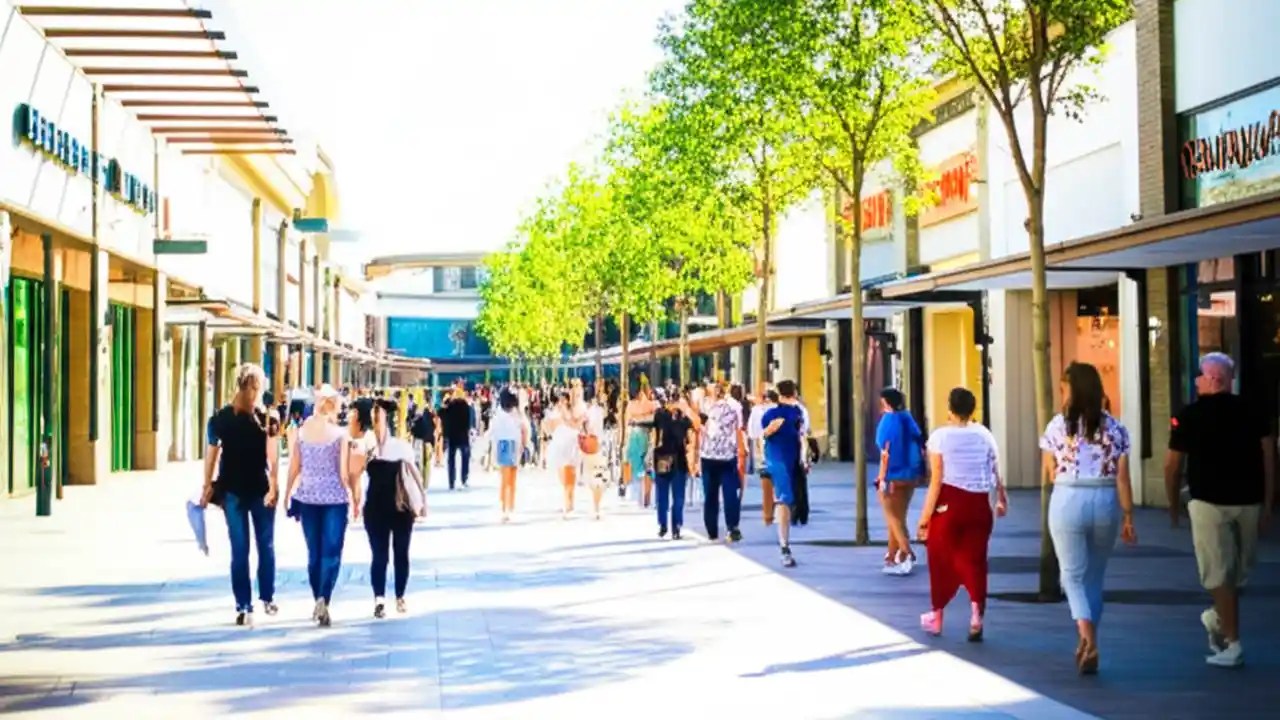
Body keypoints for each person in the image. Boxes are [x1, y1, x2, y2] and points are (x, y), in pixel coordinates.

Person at [1164, 352, 1275, 668]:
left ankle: (1218, 618)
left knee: (1223, 574)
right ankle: (1232, 641)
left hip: (1208, 502)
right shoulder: (1252, 411)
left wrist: (1173, 505)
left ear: (1213, 379)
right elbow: (1269, 458)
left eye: (1200, 375)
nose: (1196, 381)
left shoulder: (1189, 415)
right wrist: (1267, 502)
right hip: (1246, 501)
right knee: (1231, 573)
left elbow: (1172, 466)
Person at [1041, 362, 1137, 674]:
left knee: (1071, 575)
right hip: (1106, 498)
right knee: (1094, 576)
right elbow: (1123, 477)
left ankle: (1087, 637)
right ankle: (1089, 639)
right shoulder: (1117, 428)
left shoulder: (1058, 426)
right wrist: (1128, 516)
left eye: (1064, 388)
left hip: (1068, 496)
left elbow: (1051, 472)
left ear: (1072, 390)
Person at [917, 387, 1007, 641]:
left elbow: (936, 480)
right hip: (979, 505)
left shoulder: (940, 437)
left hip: (950, 503)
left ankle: (937, 615)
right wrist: (1001, 497)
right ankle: (976, 614)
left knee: (940, 558)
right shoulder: (984, 435)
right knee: (976, 561)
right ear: (973, 408)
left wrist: (924, 518)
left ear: (949, 408)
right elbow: (995, 469)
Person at [202, 363, 281, 627]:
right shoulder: (263, 418)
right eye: (259, 387)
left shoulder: (223, 419)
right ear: (255, 387)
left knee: (245, 549)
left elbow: (211, 457)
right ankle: (260, 599)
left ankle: (247, 604)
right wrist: (274, 485)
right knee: (261, 546)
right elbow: (271, 459)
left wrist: (206, 486)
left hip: (240, 491)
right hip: (251, 491)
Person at [284, 384, 356, 628]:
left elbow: (295, 465)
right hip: (335, 500)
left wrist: (286, 494)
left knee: (313, 553)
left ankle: (318, 598)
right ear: (332, 405)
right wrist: (355, 498)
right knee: (331, 552)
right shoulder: (340, 435)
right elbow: (344, 473)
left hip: (307, 499)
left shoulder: (301, 432)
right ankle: (324, 597)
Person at [364, 398, 426, 618]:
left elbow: (414, 474)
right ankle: (379, 599)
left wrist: (422, 500)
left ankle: (400, 595)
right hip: (374, 508)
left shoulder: (400, 446)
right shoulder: (366, 444)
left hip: (400, 507)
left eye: (379, 416)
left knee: (401, 552)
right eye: (373, 417)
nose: (376, 421)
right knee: (379, 555)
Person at [875, 388, 926, 576]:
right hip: (910, 475)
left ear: (886, 402)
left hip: (892, 475)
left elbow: (884, 451)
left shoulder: (888, 421)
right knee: (899, 516)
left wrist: (881, 477)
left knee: (892, 517)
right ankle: (892, 554)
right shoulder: (908, 418)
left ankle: (907, 552)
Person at [762, 380, 806, 568]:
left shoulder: (773, 413)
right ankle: (784, 545)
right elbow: (802, 437)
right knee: (785, 499)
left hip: (778, 460)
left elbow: (762, 436)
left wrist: (768, 431)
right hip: (787, 461)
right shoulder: (798, 413)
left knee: (785, 500)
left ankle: (784, 544)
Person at [700, 382, 745, 543]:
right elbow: (739, 430)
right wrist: (741, 453)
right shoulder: (734, 406)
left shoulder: (704, 405)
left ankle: (712, 531)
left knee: (710, 495)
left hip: (708, 456)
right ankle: (732, 527)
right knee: (730, 493)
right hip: (727, 456)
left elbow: (698, 426)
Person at [653, 389, 697, 539]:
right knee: (662, 495)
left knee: (679, 497)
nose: (674, 402)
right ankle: (663, 524)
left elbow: (696, 427)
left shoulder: (684, 419)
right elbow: (656, 432)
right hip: (664, 457)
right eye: (672, 399)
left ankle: (676, 525)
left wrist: (687, 410)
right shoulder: (661, 415)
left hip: (679, 459)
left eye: (677, 399)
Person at [491, 388, 529, 522]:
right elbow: (524, 430)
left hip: (503, 445)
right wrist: (523, 446)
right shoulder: (516, 414)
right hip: (514, 445)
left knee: (505, 479)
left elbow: (493, 433)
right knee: (512, 479)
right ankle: (509, 506)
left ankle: (504, 507)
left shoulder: (498, 414)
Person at [582, 385, 609, 519]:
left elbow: (585, 427)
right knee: (599, 475)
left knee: (592, 476)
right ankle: (597, 505)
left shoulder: (586, 412)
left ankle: (595, 505)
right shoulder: (600, 410)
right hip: (600, 444)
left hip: (590, 446)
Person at [439, 388, 472, 489]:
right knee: (465, 458)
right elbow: (468, 420)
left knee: (451, 459)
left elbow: (441, 414)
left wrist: (445, 404)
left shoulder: (450, 405)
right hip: (463, 435)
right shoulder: (465, 406)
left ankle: (451, 481)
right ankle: (464, 478)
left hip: (452, 436)